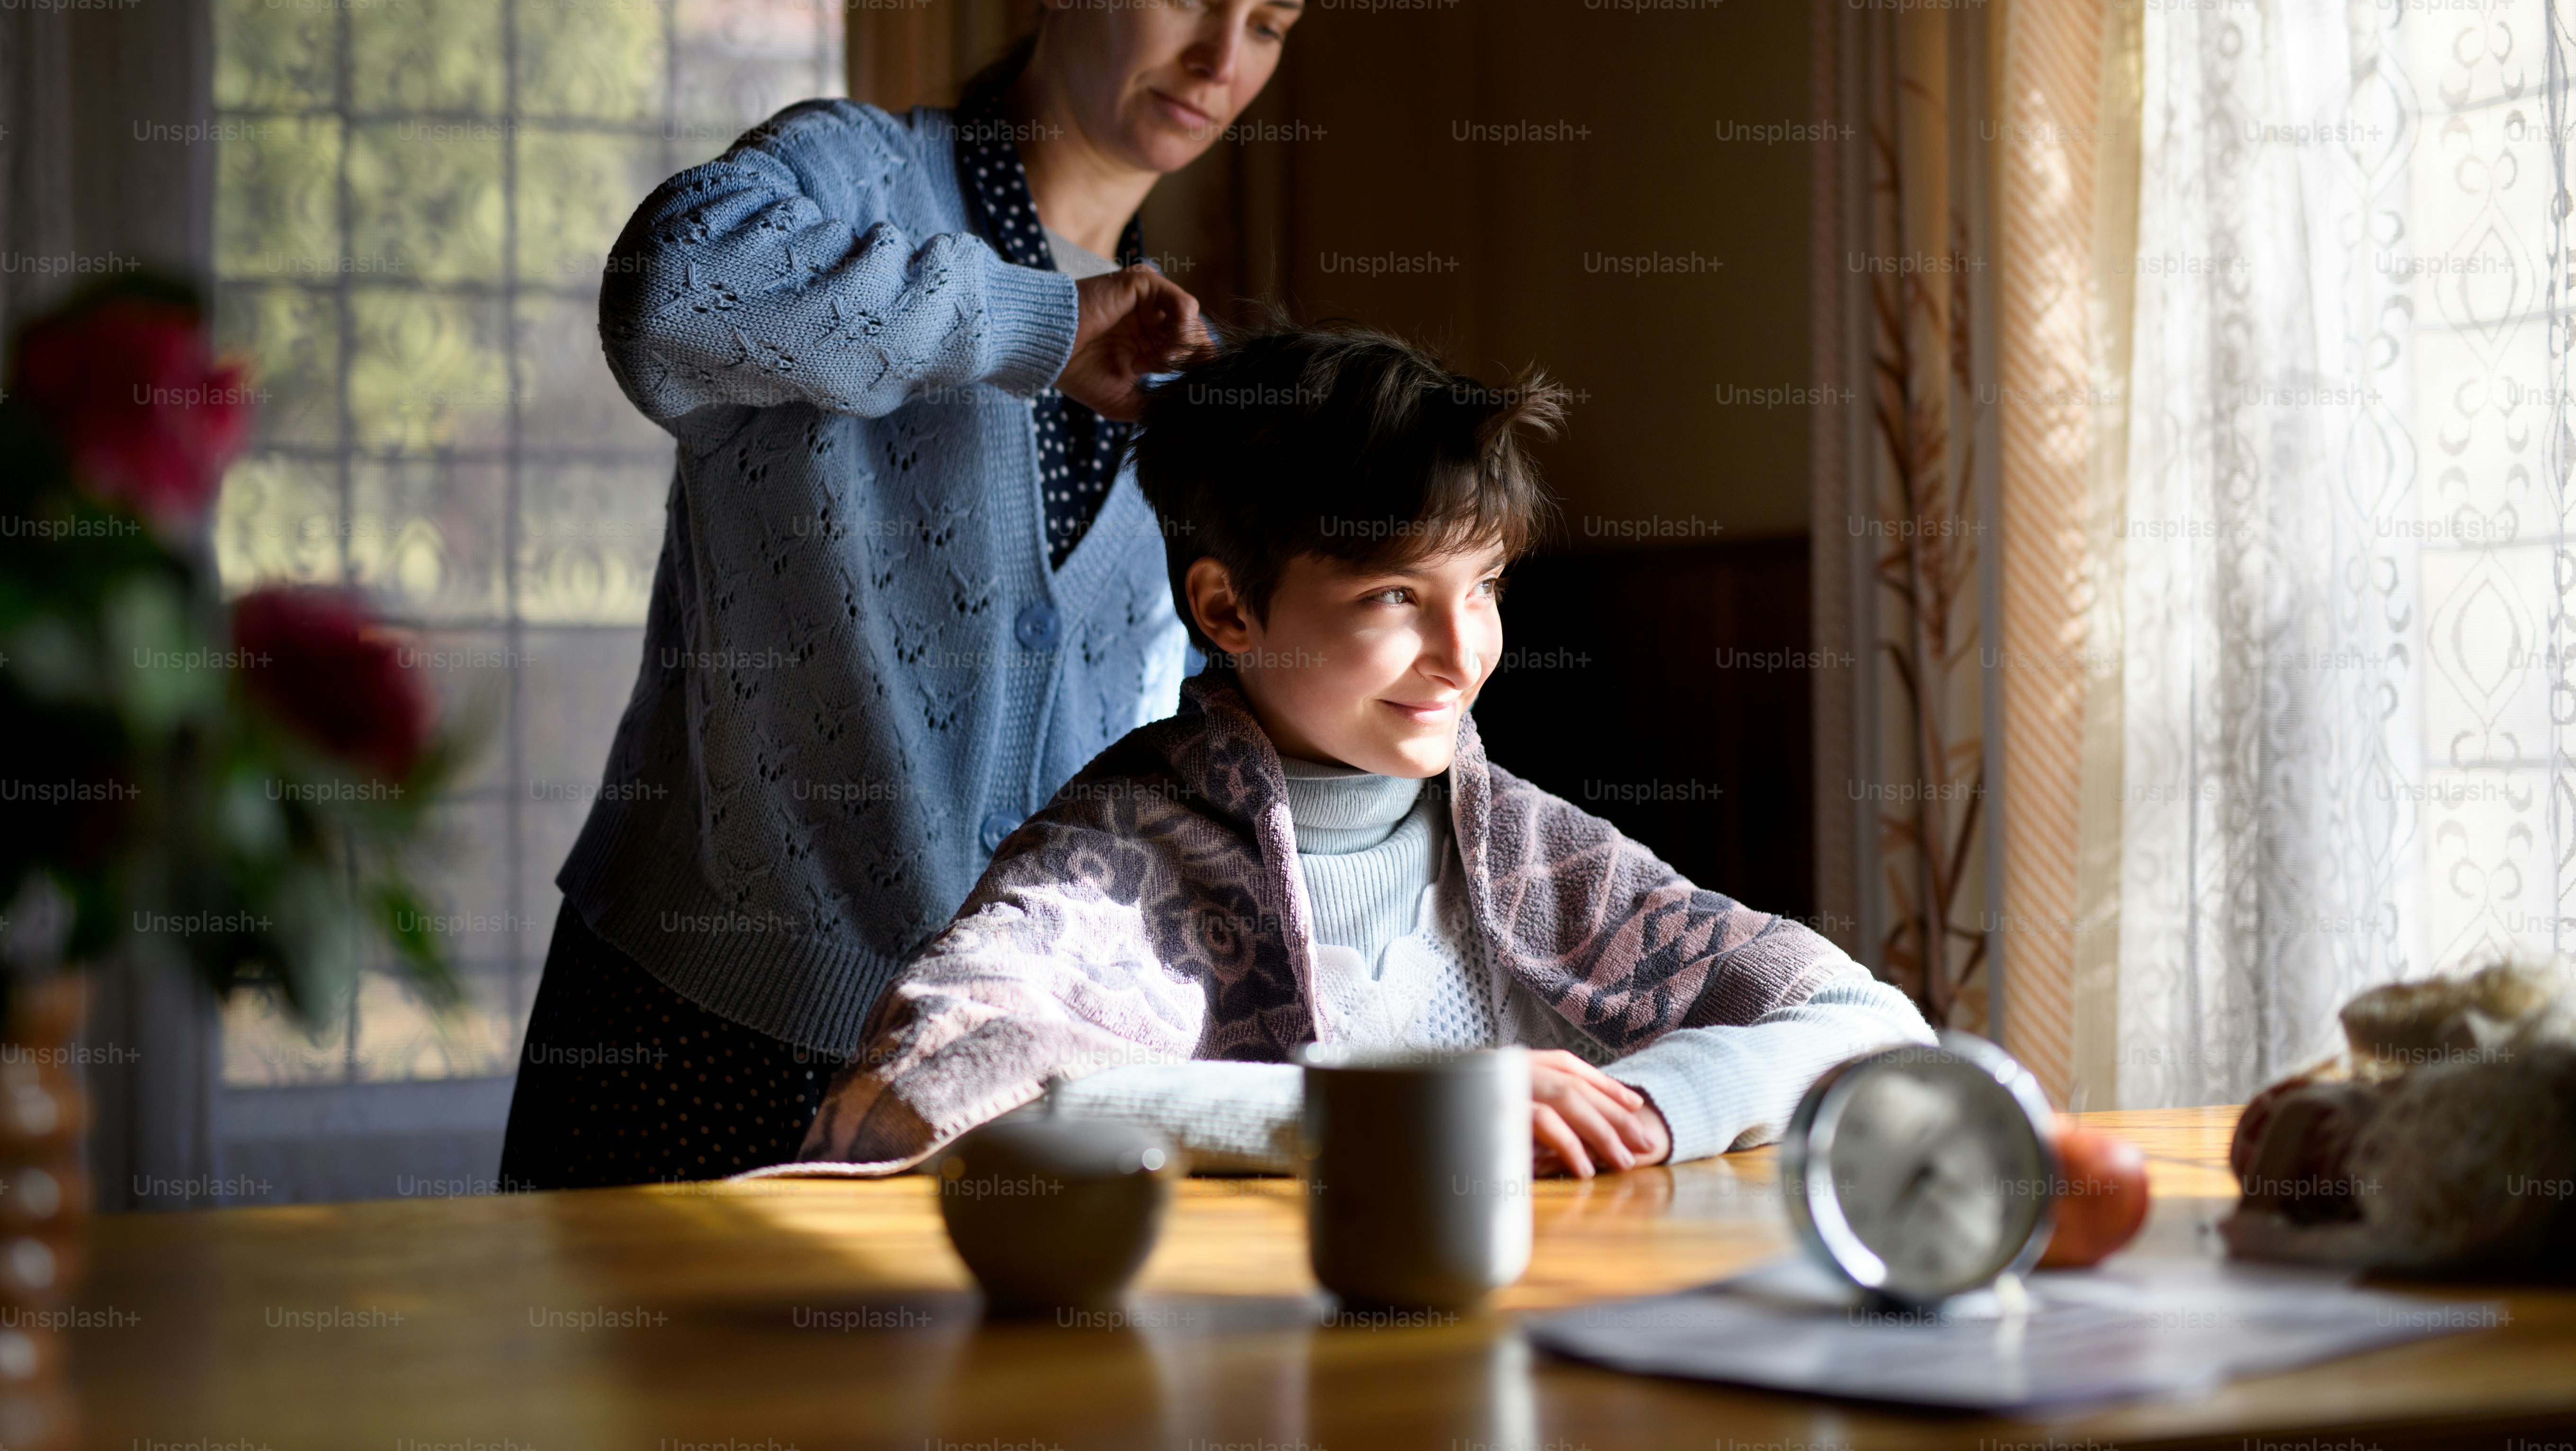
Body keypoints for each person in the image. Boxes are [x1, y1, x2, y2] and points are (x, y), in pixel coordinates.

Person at [498, 0, 1341, 1189]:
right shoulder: (849, 177)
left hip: (999, 1067)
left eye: (1268, 25)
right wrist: (1040, 327)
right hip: (700, 1017)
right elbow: (665, 297)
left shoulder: (1182, 360)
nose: (1220, 59)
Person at [778, 324, 1933, 1179]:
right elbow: (920, 1092)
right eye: (1393, 595)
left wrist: (1649, 1102)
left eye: (1481, 587)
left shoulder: (1522, 842)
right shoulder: (1115, 848)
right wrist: (1404, 1111)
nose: (1460, 654)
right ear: (1228, 611)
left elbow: (1865, 1018)